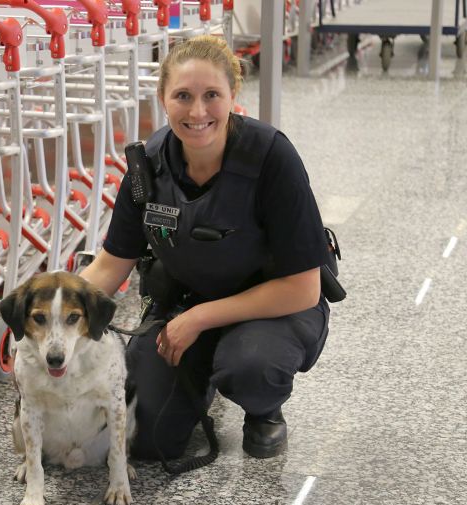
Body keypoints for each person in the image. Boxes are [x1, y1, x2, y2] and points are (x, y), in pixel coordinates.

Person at [80, 35, 330, 460]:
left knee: (252, 367)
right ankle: (200, 379)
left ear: (234, 94)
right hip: (182, 304)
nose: (197, 112)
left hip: (274, 307)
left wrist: (200, 318)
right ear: (162, 98)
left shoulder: (271, 158)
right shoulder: (149, 167)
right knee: (145, 439)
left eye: (212, 95)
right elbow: (109, 266)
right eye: (183, 96)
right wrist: (51, 319)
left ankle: (263, 408)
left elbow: (303, 288)